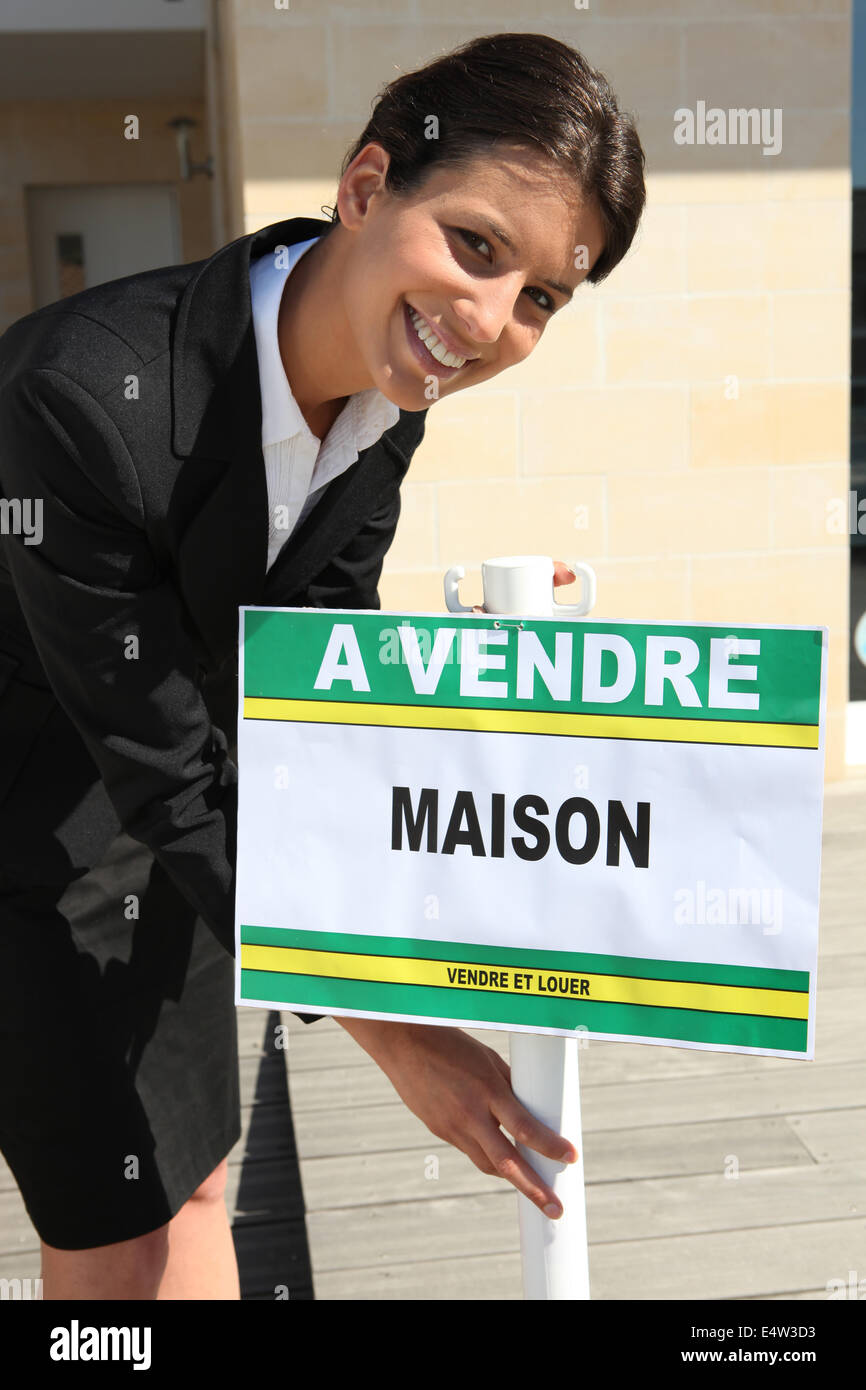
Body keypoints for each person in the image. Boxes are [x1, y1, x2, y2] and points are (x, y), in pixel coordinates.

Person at [0, 32, 645, 1299]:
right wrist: (395, 1029)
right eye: (473, 244)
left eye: (539, 297)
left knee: (190, 1173)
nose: (488, 320)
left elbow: (310, 664)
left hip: (185, 833)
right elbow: (169, 759)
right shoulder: (81, 402)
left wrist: (485, 677)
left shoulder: (386, 402)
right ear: (364, 187)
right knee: (107, 1221)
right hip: (32, 830)